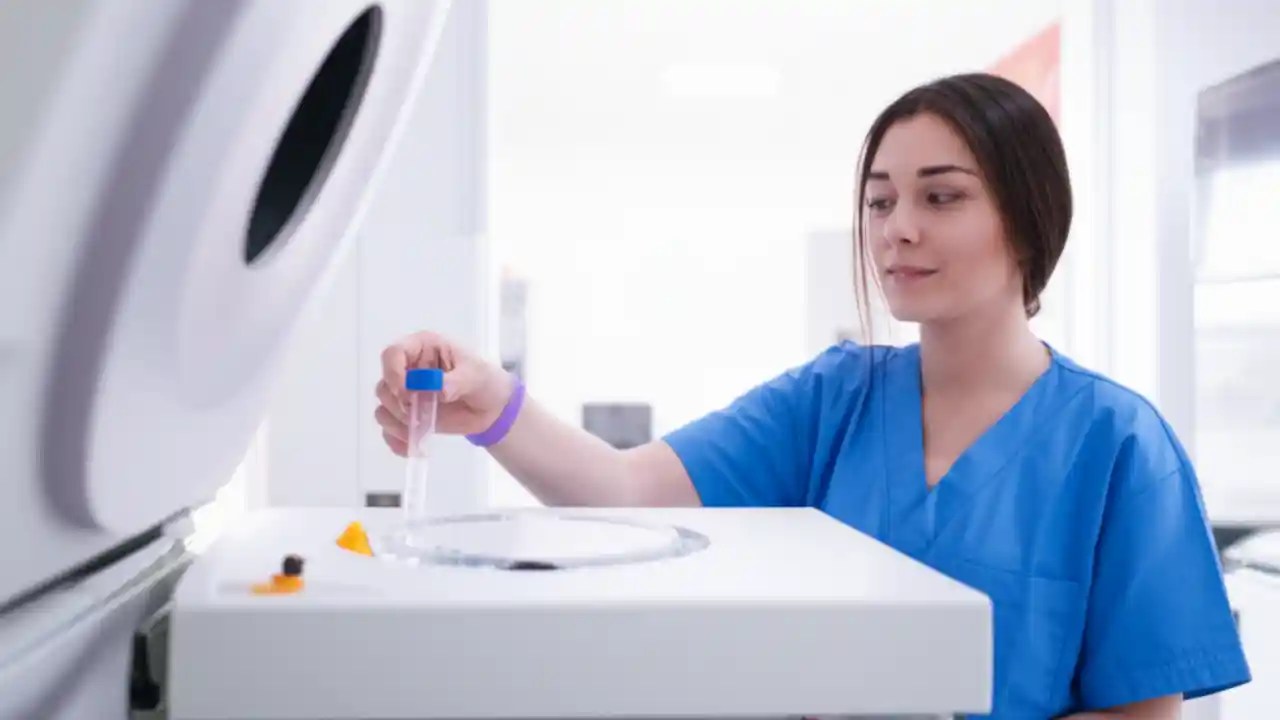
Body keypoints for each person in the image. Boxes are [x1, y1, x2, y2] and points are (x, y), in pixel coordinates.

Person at [373, 73, 1250, 718]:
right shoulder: (833, 401)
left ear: (1028, 216)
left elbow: (1142, 714)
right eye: (879, 201)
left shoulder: (1118, 445)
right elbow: (625, 494)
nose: (896, 228)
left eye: (940, 197)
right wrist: (491, 407)